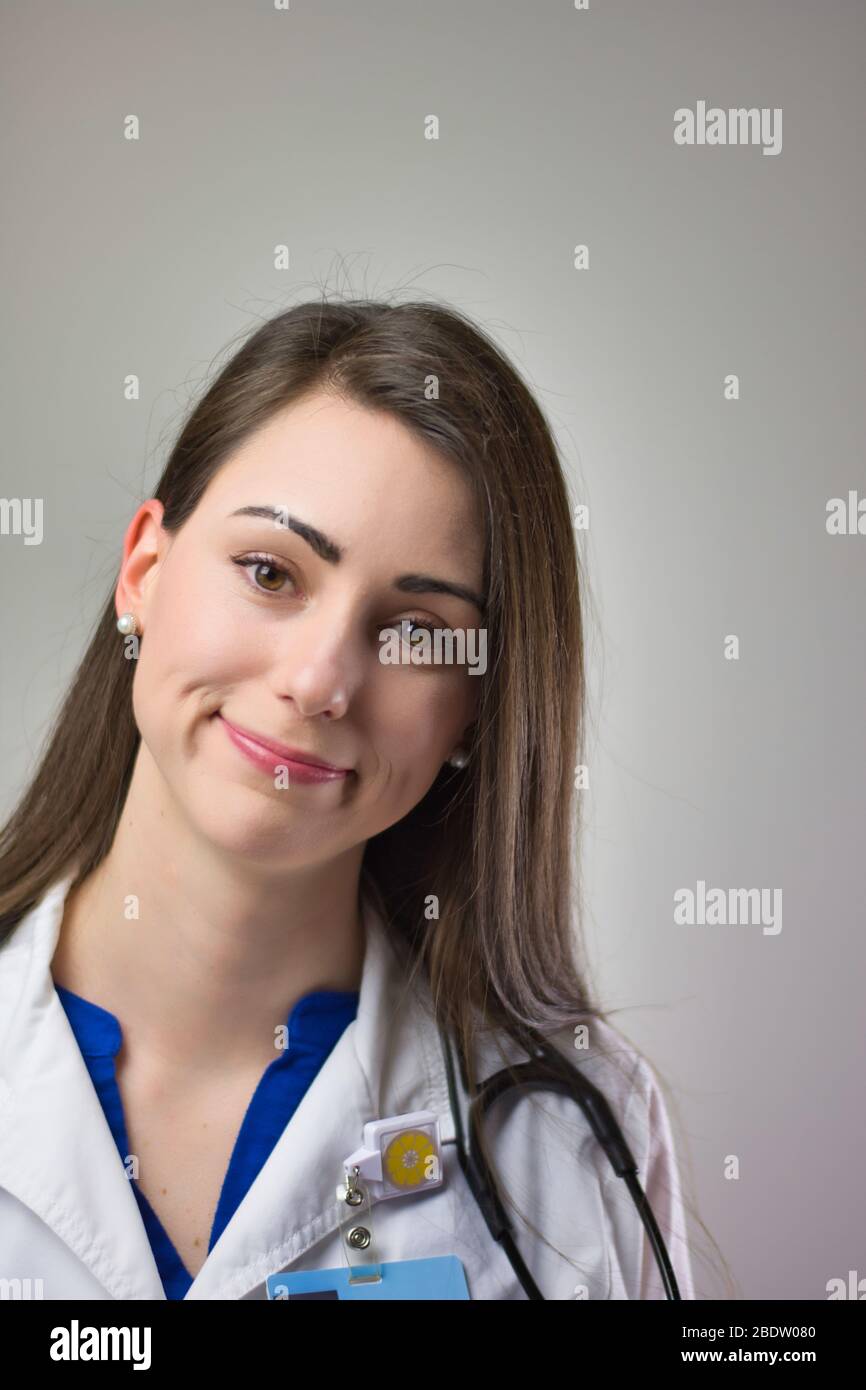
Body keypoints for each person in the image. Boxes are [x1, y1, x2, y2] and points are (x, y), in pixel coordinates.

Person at [0, 297, 697, 1300]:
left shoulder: (571, 1138)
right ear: (143, 572)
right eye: (268, 571)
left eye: (415, 630)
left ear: (472, 710)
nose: (319, 679)